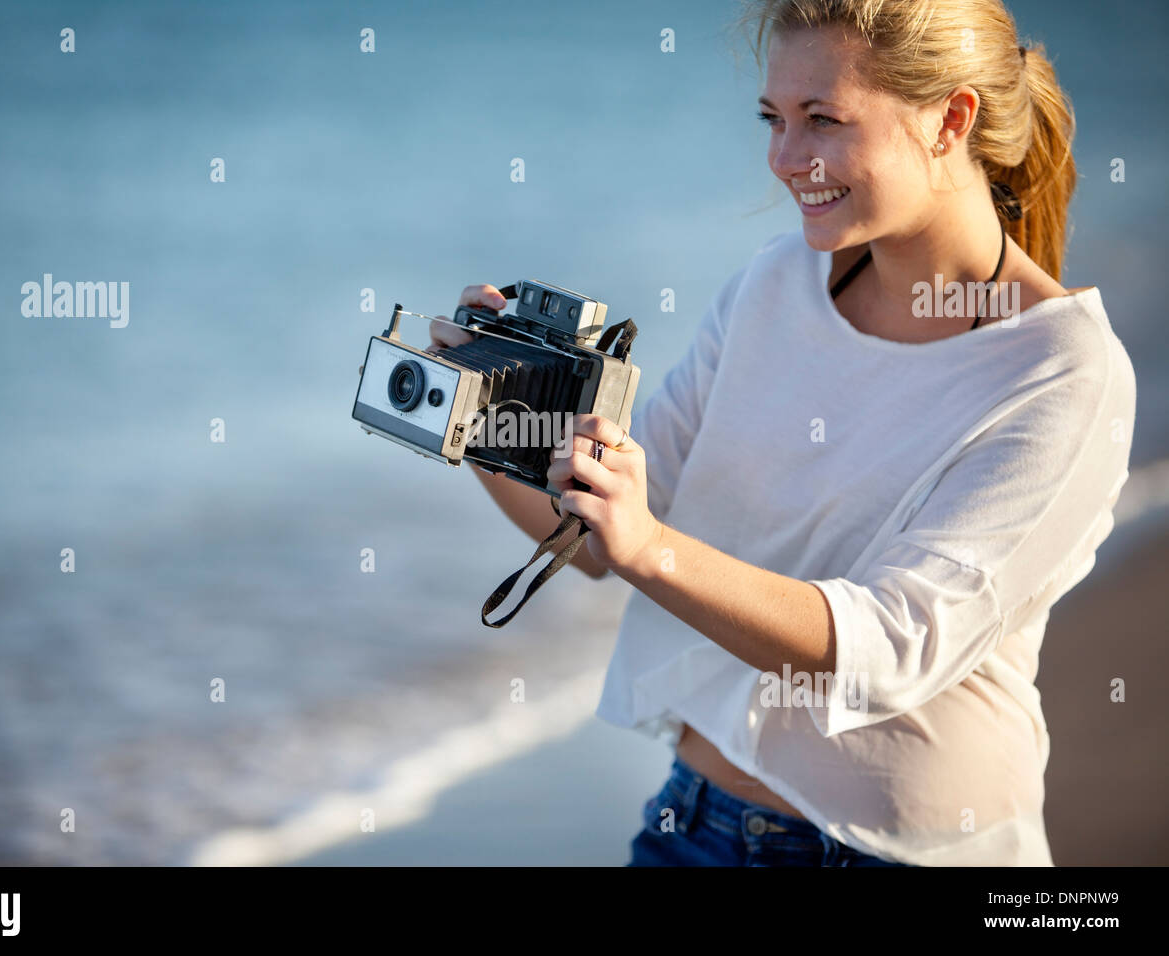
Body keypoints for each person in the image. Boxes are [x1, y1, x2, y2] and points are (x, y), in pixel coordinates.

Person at [431, 0, 1136, 867]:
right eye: (773, 118)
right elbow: (597, 540)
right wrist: (477, 412)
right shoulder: (775, 286)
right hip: (693, 825)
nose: (784, 157)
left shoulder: (1062, 370)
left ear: (951, 119)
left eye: (823, 120)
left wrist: (651, 545)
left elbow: (889, 646)